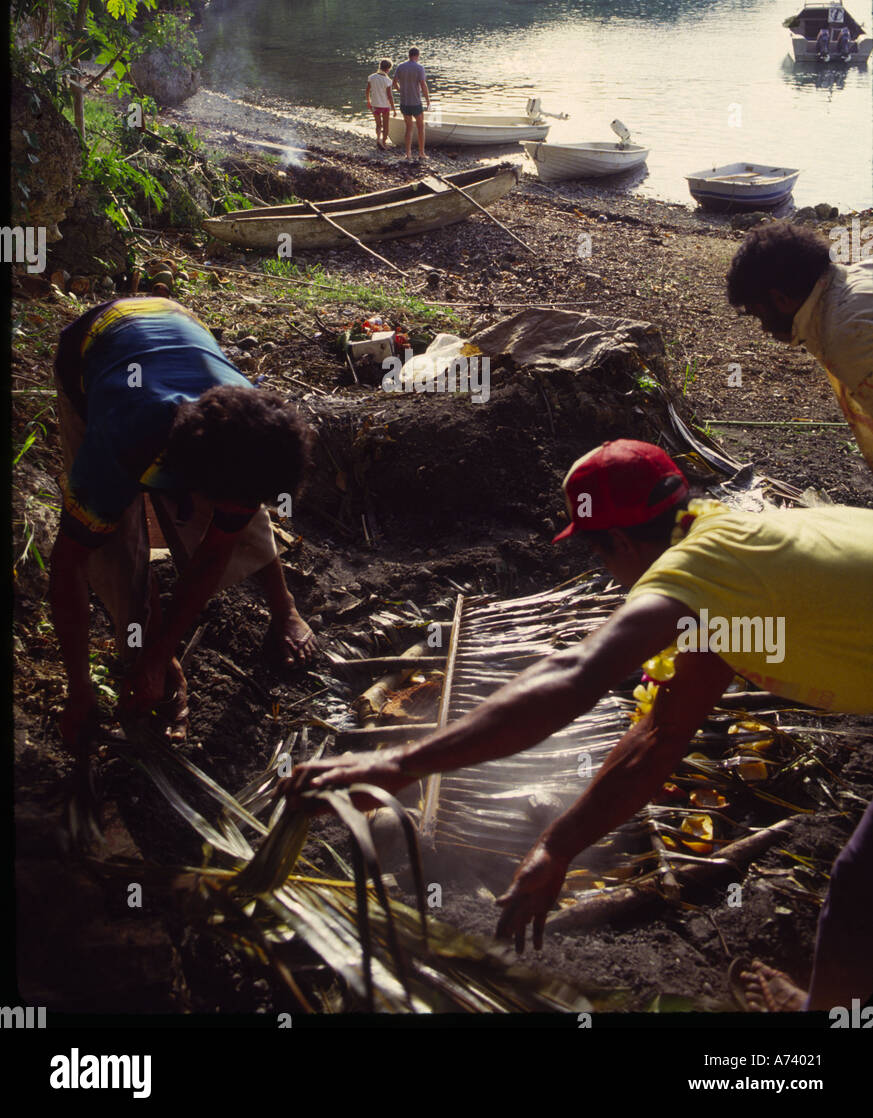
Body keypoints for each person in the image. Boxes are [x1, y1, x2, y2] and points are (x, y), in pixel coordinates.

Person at [287, 438, 873, 1010]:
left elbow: (577, 671)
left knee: (859, 890)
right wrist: (557, 847)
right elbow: (660, 736)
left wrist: (395, 764)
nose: (607, 572)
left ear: (617, 541)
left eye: (597, 554)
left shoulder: (700, 570)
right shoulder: (733, 553)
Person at [50, 296, 316, 750]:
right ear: (194, 481)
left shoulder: (251, 424)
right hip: (92, 352)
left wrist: (164, 648)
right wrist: (80, 689)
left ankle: (282, 603)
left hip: (177, 327)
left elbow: (215, 550)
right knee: (114, 551)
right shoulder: (119, 441)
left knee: (241, 524)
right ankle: (140, 647)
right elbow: (68, 564)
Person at [726, 221, 873, 471]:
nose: (764, 329)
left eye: (759, 314)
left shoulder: (847, 333)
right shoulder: (856, 275)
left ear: (780, 299)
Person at [392, 46, 430, 163]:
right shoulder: (419, 68)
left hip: (404, 102)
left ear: (409, 55)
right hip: (416, 103)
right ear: (417, 56)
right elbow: (423, 85)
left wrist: (400, 90)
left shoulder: (400, 67)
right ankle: (421, 153)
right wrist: (428, 100)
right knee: (420, 128)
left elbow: (394, 83)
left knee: (408, 128)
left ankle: (408, 154)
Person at [366, 58, 395, 151]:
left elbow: (367, 90)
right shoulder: (388, 81)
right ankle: (384, 142)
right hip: (385, 106)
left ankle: (378, 139)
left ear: (380, 66)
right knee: (386, 125)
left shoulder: (371, 77)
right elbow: (390, 96)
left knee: (378, 125)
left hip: (375, 105)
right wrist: (393, 108)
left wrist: (368, 101)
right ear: (388, 69)